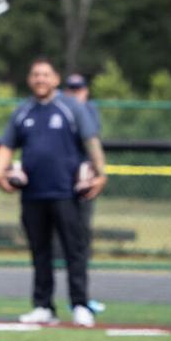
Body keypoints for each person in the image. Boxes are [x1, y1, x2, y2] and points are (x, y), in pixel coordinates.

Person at [0, 58, 108, 327]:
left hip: (66, 193)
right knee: (39, 252)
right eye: (35, 74)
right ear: (29, 79)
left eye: (45, 74)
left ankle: (80, 304)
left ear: (55, 79)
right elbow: (6, 146)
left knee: (74, 251)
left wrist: (101, 173)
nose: (40, 79)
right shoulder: (23, 111)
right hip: (33, 194)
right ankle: (43, 305)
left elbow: (91, 140)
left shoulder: (71, 108)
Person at [62, 72, 103, 267]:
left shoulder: (89, 110)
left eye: (78, 90)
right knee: (61, 219)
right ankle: (60, 258)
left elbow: (90, 136)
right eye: (71, 90)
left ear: (85, 91)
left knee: (83, 220)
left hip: (84, 174)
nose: (74, 94)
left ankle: (82, 259)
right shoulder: (59, 109)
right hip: (63, 174)